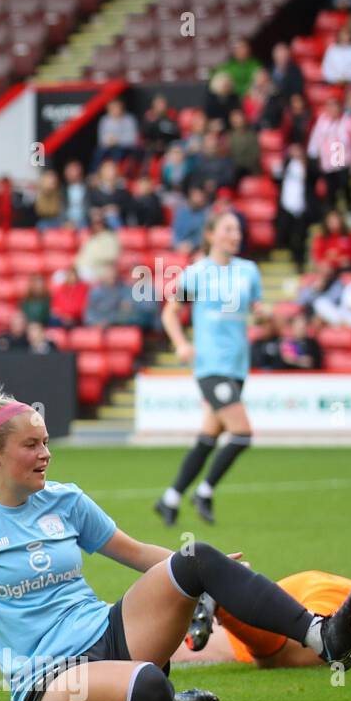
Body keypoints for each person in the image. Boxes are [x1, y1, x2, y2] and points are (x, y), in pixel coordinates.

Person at [0, 386, 351, 701]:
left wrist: (216, 576)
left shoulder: (66, 501)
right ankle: (160, 693)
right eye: (32, 446)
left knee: (198, 558)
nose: (46, 454)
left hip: (111, 629)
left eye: (46, 442)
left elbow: (137, 553)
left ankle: (323, 637)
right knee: (151, 690)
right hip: (47, 674)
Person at [156, 213, 261, 526]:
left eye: (238, 229)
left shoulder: (248, 271)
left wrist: (266, 316)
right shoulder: (198, 273)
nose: (235, 234)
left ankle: (170, 498)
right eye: (228, 229)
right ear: (211, 234)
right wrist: (181, 344)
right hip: (210, 366)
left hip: (238, 365)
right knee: (242, 433)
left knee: (208, 437)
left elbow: (256, 309)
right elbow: (170, 312)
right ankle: (204, 490)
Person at [176, 554, 351, 668]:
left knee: (187, 644)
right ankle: (222, 593)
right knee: (295, 654)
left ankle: (225, 592)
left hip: (327, 586)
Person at [308, 96, 351, 215]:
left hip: (342, 158)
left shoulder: (348, 121)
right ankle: (332, 214)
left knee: (345, 185)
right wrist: (313, 154)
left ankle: (350, 210)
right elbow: (315, 137)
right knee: (330, 190)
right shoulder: (322, 120)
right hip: (327, 161)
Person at [273, 143, 309, 270]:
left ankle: (299, 262)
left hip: (302, 207)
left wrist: (304, 163)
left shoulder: (307, 164)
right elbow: (276, 178)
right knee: (285, 232)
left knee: (300, 236)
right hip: (286, 205)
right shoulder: (285, 164)